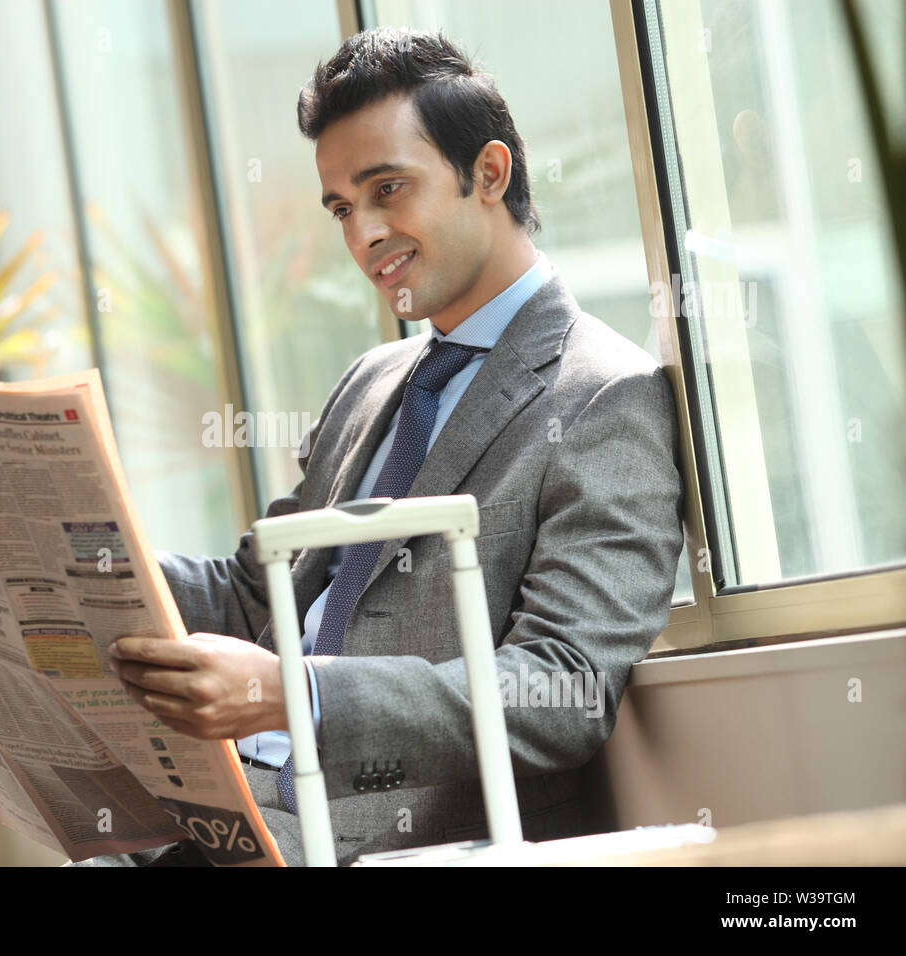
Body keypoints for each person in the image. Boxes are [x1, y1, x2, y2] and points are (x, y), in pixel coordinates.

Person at [69, 27, 683, 867]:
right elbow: (256, 599)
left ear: (489, 175)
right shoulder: (371, 383)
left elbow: (560, 689)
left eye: (388, 189)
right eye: (342, 209)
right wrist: (78, 546)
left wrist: (293, 694)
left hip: (375, 840)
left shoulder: (604, 396)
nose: (364, 236)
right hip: (226, 815)